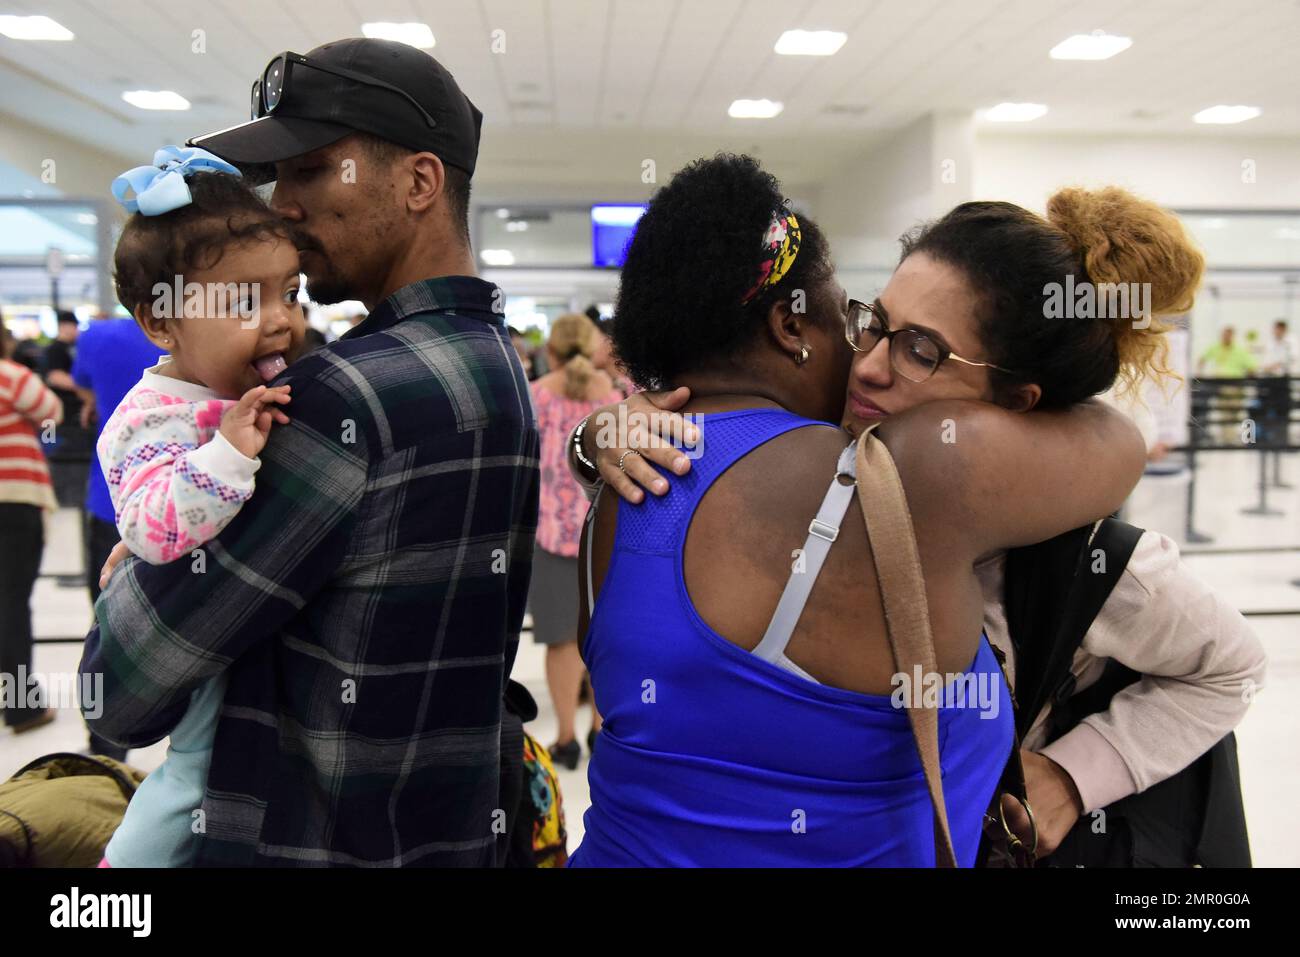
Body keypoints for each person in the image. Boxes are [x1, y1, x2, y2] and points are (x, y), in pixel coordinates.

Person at [578, 170, 1266, 865]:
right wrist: (604, 436)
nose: (867, 364)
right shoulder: (831, 475)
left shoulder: (1079, 556)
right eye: (874, 322)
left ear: (1017, 407)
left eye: (921, 350)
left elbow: (1230, 666)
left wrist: (1075, 774)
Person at [84, 37, 539, 867]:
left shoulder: (341, 395)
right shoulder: (498, 362)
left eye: (310, 171)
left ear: (418, 182)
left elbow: (122, 691)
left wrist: (127, 582)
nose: (281, 205)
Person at [93, 147, 303, 867]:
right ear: (161, 323)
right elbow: (151, 528)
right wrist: (228, 453)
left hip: (249, 624)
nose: (279, 321)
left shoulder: (241, 389)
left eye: (291, 292)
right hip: (199, 643)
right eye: (246, 302)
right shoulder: (150, 416)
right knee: (194, 774)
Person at [528, 313, 622, 770]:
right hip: (608, 535)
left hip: (550, 538)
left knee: (561, 642)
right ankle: (600, 730)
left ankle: (564, 738)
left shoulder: (537, 395)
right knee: (605, 638)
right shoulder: (619, 397)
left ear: (553, 348)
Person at [72, 310, 165, 760]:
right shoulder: (214, 328)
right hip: (198, 506)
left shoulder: (99, 335)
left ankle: (105, 753)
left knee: (107, 628)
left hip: (110, 499)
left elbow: (83, 390)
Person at [0, 321, 62, 733]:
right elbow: (51, 411)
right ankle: (21, 705)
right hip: (13, 500)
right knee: (10, 602)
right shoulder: (10, 375)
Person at [41, 311, 92, 506]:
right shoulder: (55, 349)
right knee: (55, 451)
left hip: (74, 413)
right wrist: (84, 386)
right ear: (63, 326)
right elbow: (54, 376)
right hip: (57, 415)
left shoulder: (76, 347)